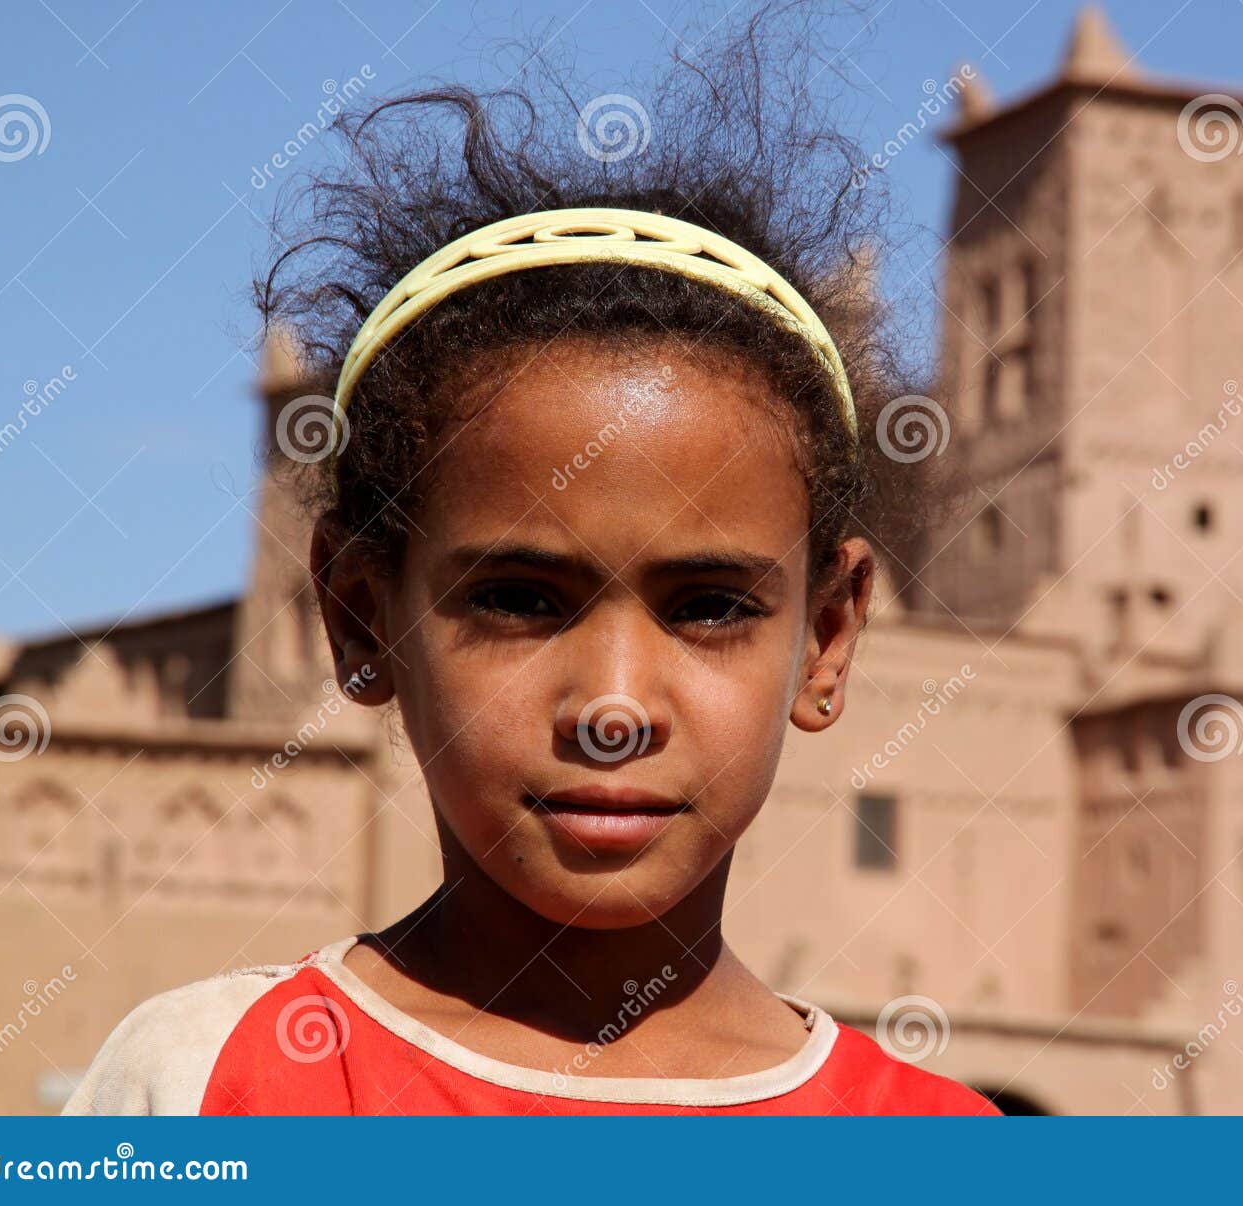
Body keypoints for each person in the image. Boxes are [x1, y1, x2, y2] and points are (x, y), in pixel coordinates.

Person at [64, 8, 996, 1117]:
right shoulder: (215, 1081)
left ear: (827, 639)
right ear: (362, 621)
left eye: (707, 607)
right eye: (516, 599)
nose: (610, 709)